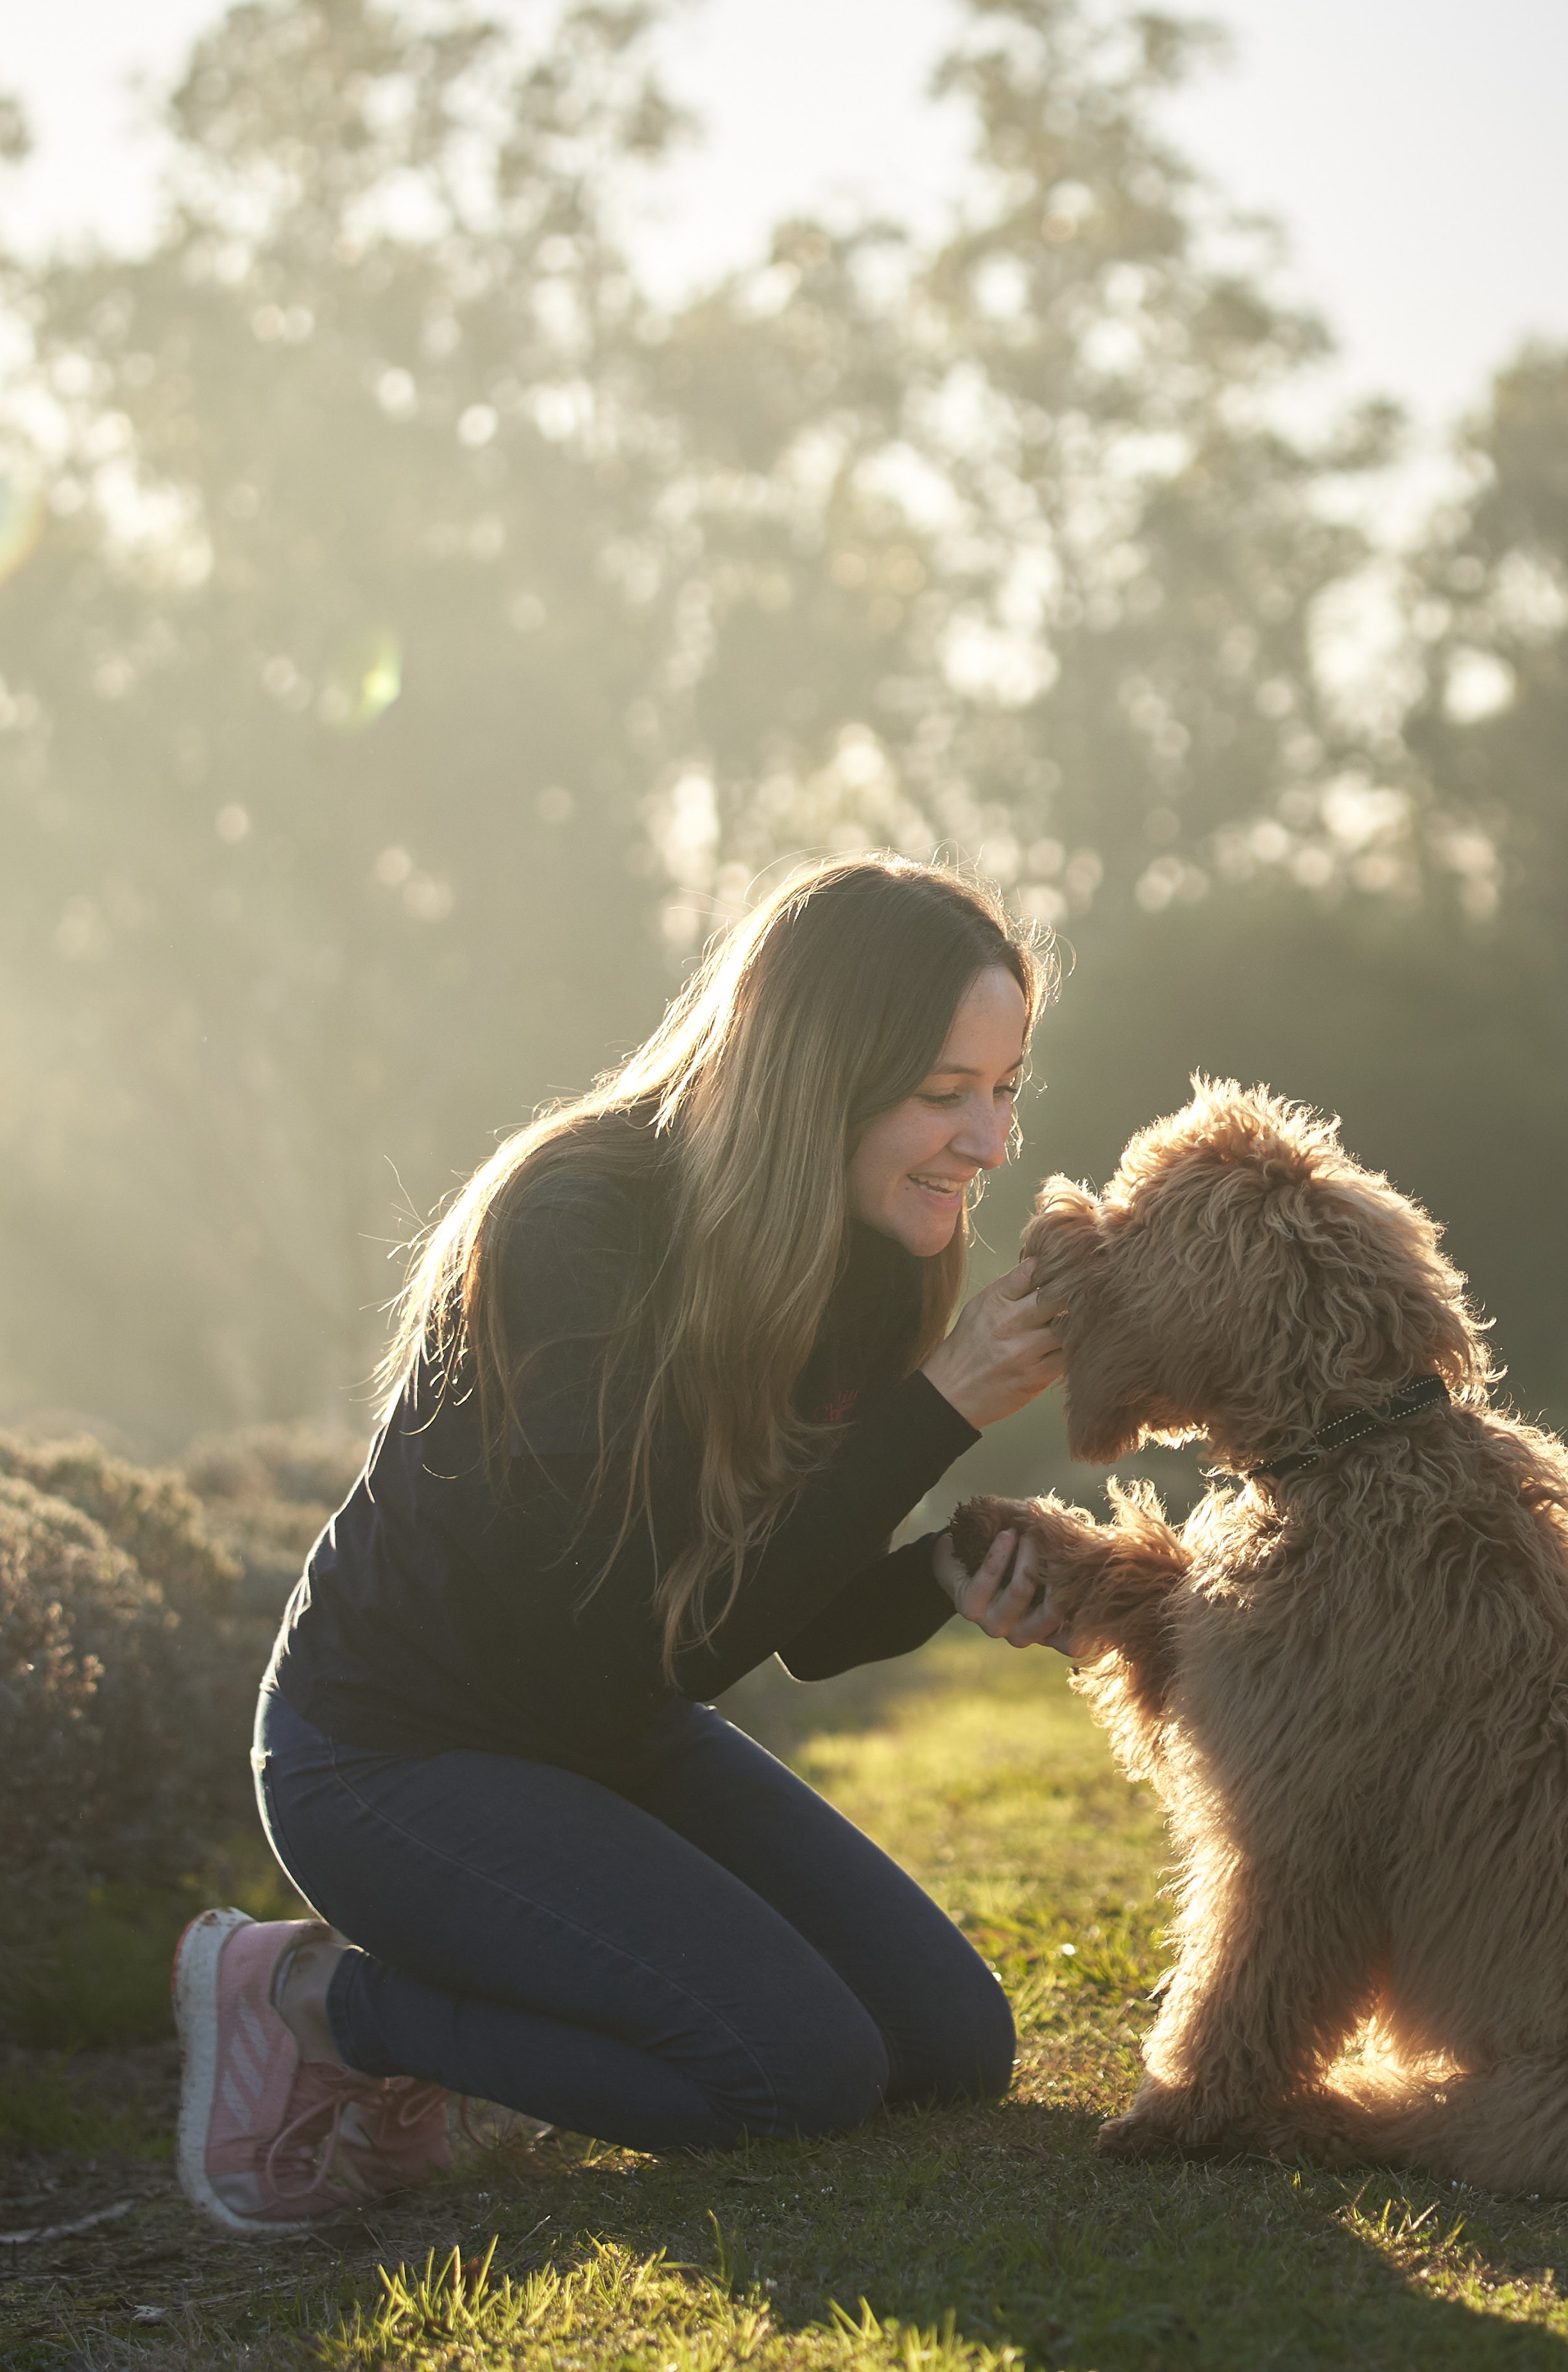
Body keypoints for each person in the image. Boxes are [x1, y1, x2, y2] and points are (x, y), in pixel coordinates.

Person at [173, 856, 1080, 2234]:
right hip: (389, 1753)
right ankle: (315, 2001)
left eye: (1004, 1086)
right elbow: (660, 1633)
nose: (990, 1141)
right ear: (814, 1074)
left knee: (953, 2044)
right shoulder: (572, 1220)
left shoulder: (873, 1250)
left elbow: (798, 1619)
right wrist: (940, 1406)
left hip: (606, 1733)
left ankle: (542, 1996)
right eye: (942, 1093)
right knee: (796, 2075)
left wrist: (940, 1570)